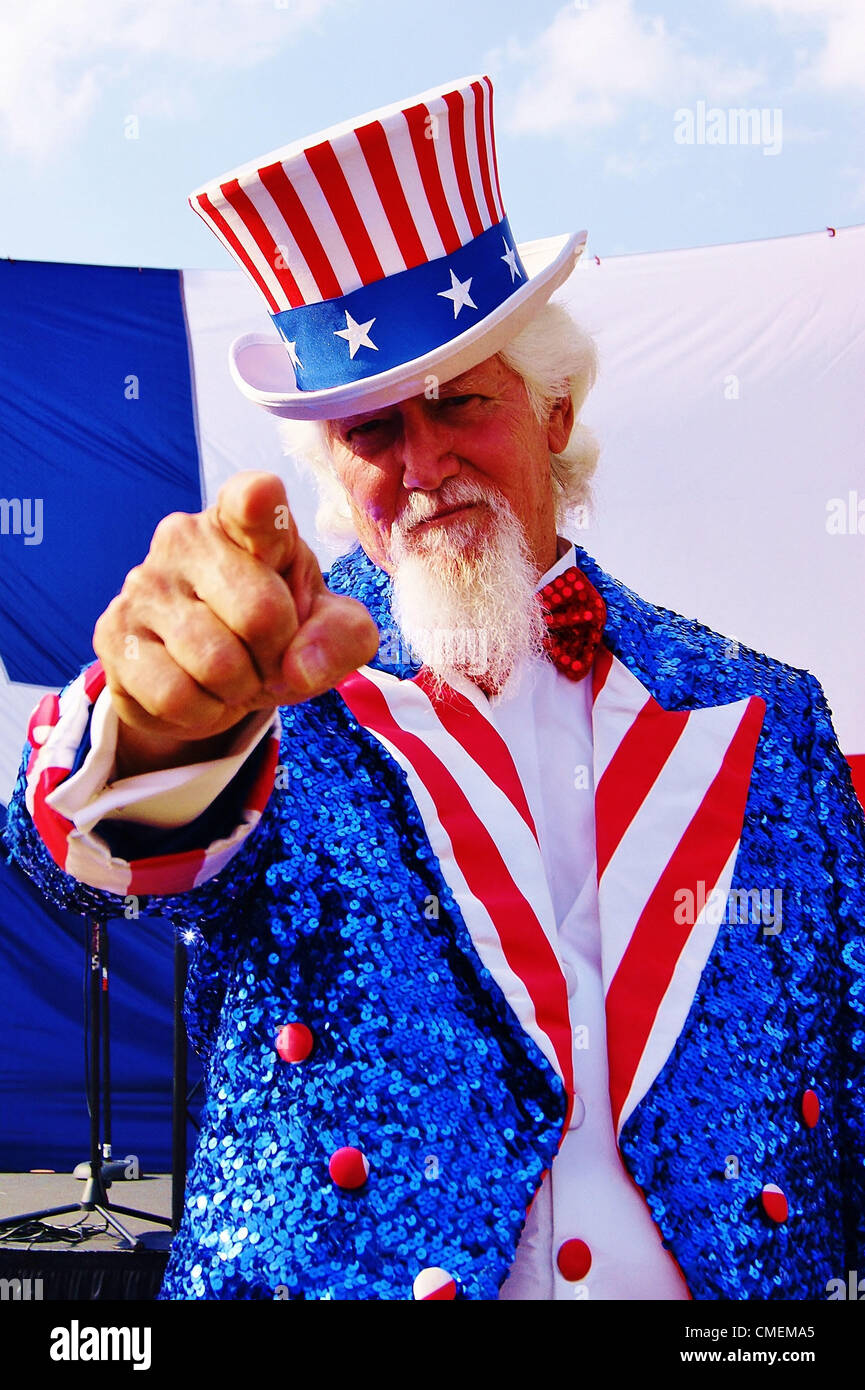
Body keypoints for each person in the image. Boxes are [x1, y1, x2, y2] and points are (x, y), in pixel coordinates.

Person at [6, 76, 864, 1302]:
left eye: (459, 401)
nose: (422, 464)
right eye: (369, 432)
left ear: (553, 408)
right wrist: (145, 732)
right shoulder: (276, 697)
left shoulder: (768, 716)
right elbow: (76, 847)